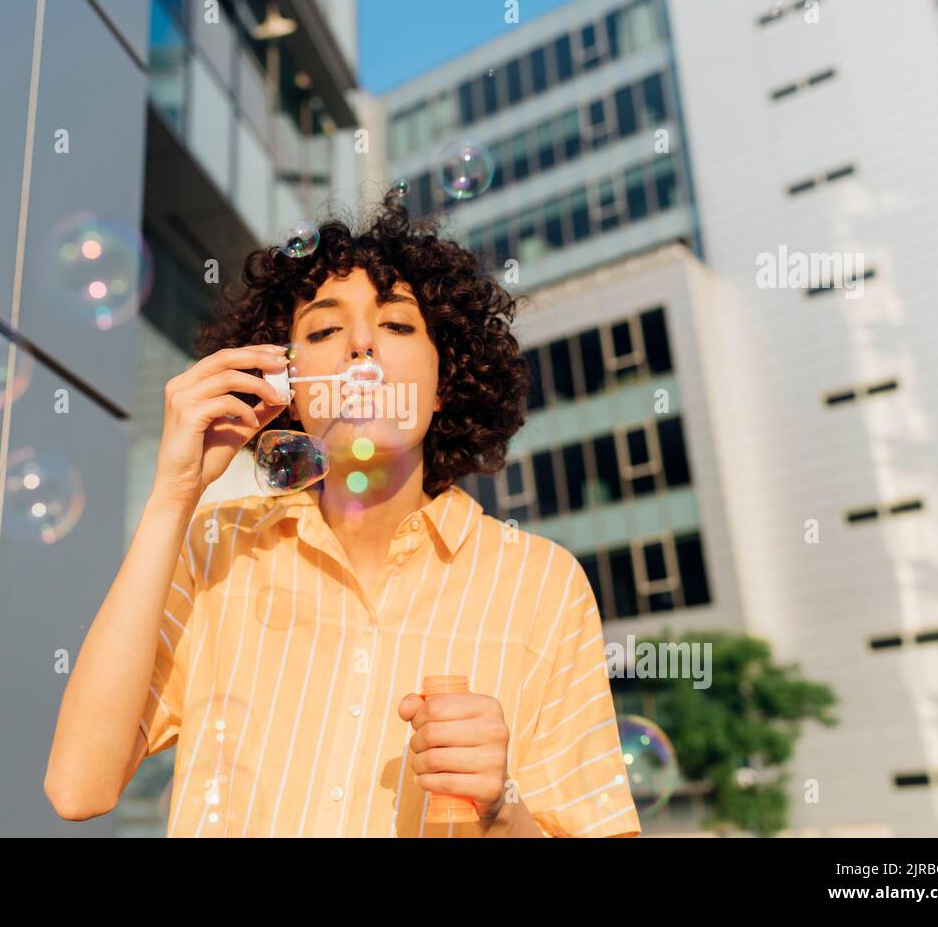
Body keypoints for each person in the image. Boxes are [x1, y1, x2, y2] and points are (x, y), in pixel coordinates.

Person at [44, 187, 641, 838]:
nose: (360, 346)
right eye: (325, 329)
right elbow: (80, 787)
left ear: (445, 385)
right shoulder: (215, 547)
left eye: (396, 325)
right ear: (291, 392)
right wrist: (173, 495)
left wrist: (500, 810)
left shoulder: (541, 582)